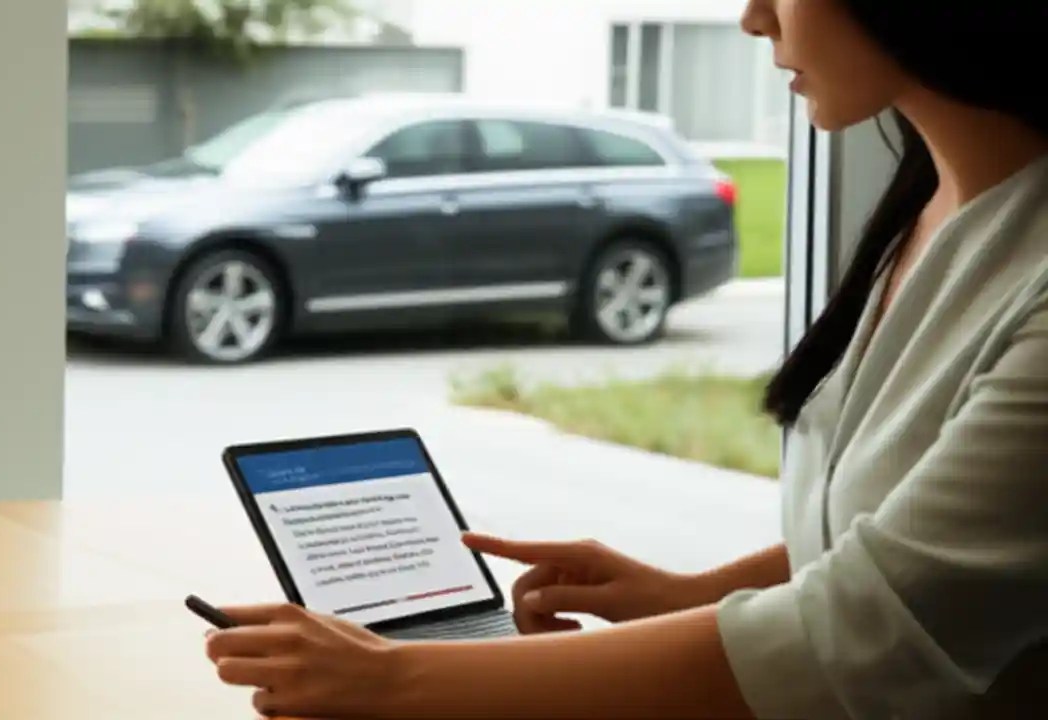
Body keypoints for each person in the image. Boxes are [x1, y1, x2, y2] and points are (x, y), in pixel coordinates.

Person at [204, 0, 1048, 716]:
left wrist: (392, 678)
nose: (754, 19)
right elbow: (897, 537)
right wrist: (685, 595)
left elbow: (871, 632)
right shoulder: (932, 214)